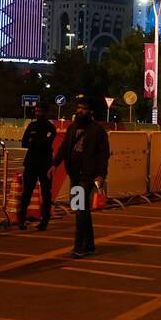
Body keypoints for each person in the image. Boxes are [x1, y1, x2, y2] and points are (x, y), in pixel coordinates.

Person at [52, 95, 110, 259]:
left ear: (90, 111)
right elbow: (64, 148)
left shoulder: (97, 131)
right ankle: (89, 244)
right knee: (82, 210)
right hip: (74, 174)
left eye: (84, 108)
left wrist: (101, 174)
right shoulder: (72, 128)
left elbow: (103, 154)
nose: (80, 111)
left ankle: (80, 246)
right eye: (79, 108)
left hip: (87, 175)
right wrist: (54, 164)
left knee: (79, 210)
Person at [18, 101, 57, 230]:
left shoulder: (50, 128)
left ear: (45, 112)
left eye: (40, 111)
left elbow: (46, 143)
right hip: (31, 162)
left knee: (46, 193)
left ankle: (45, 221)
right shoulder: (32, 125)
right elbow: (24, 142)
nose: (37, 113)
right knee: (27, 192)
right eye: (36, 111)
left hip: (45, 163)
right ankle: (21, 219)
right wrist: (36, 141)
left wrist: (33, 140)